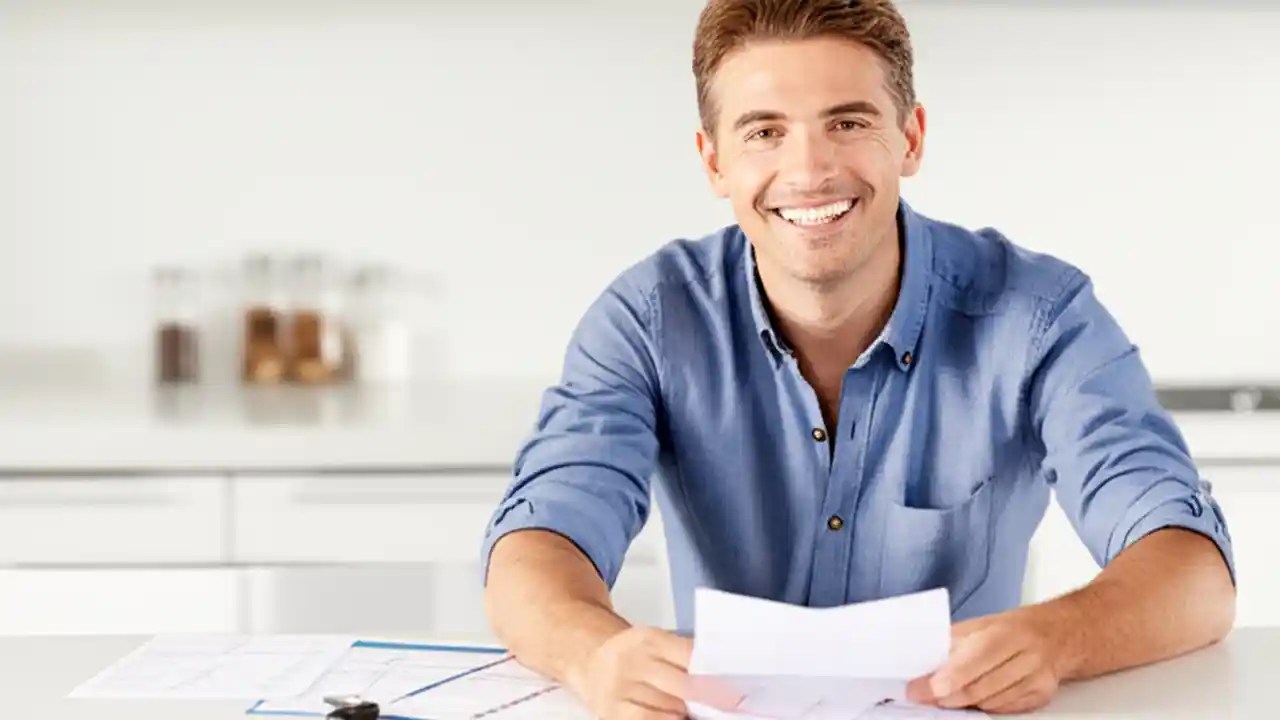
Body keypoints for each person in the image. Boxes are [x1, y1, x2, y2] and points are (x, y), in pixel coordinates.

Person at [480, 0, 1237, 717]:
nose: (810, 170)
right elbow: (537, 543)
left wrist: (1058, 637)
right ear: (713, 162)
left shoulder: (1040, 316)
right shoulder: (647, 319)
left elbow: (1194, 573)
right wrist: (594, 654)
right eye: (764, 131)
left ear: (910, 138)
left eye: (847, 122)